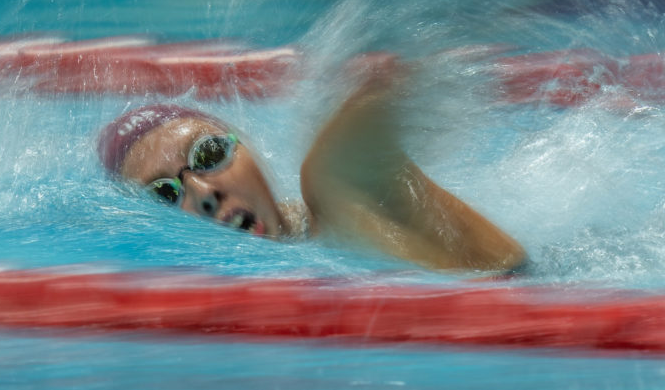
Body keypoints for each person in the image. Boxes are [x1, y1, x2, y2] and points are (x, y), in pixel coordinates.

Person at [97, 65, 525, 273]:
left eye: (208, 155)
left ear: (248, 149)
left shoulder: (337, 193)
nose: (204, 193)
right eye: (165, 194)